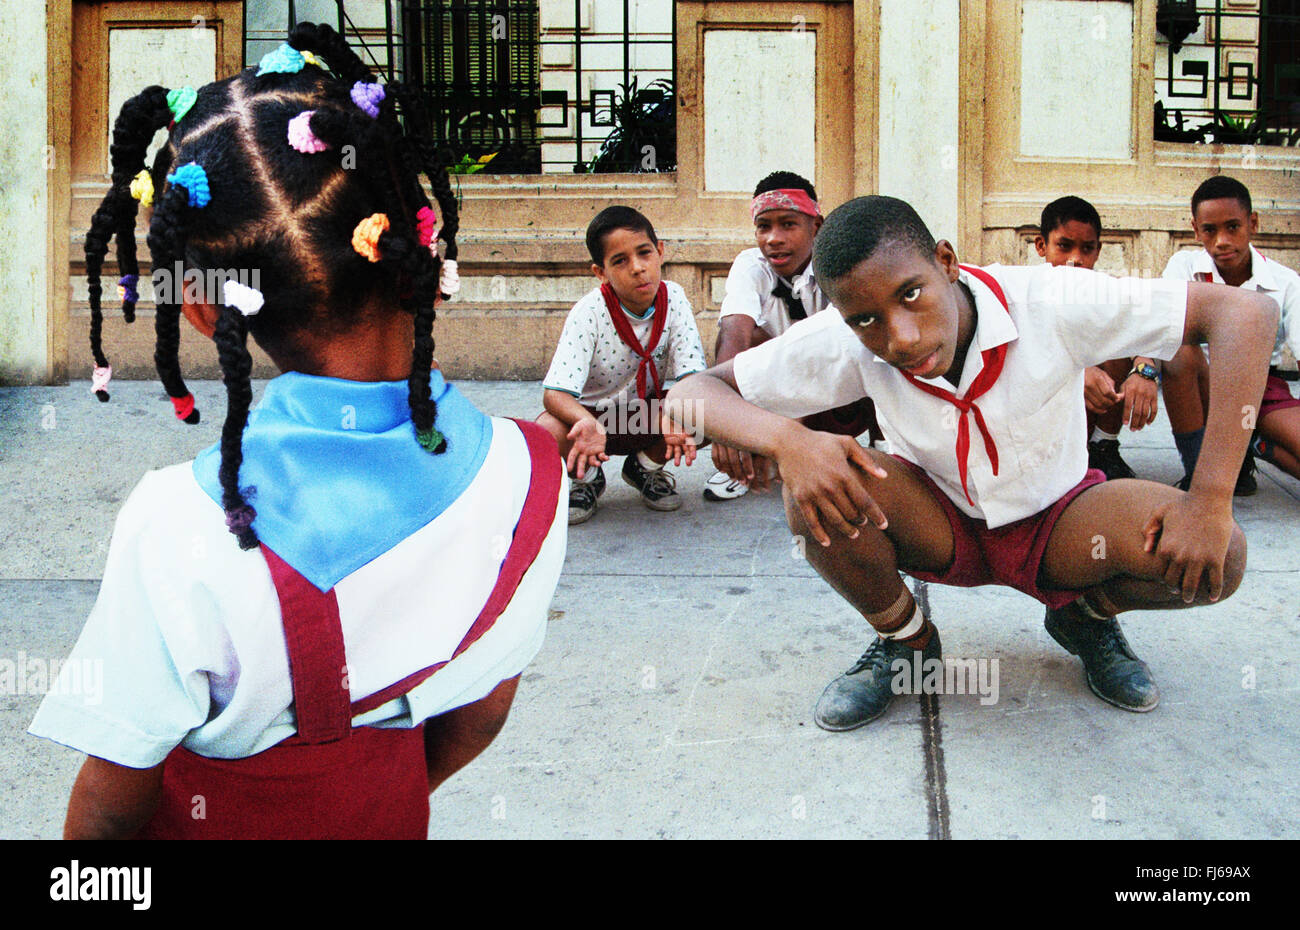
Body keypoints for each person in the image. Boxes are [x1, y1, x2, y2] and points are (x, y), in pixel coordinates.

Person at [28, 23, 566, 839]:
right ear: (418, 234)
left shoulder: (181, 525)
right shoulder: (532, 474)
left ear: (203, 310)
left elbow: (111, 802)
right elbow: (477, 717)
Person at [666, 195, 1276, 731]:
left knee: (1220, 557)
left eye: (912, 294)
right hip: (938, 522)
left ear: (947, 262)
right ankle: (906, 643)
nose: (899, 337)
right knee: (814, 487)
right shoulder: (847, 338)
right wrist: (788, 442)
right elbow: (690, 394)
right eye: (867, 319)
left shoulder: (1052, 298)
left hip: (1060, 522)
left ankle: (1085, 620)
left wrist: (1210, 497)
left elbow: (1244, 316)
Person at [706, 172, 883, 501]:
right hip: (778, 396)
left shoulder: (838, 262)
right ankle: (748, 456)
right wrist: (725, 420)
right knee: (739, 341)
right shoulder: (751, 266)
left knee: (871, 338)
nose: (773, 238)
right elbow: (734, 333)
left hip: (835, 395)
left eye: (788, 224)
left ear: (816, 227)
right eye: (764, 226)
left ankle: (885, 447)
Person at [539, 205, 707, 524]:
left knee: (705, 410)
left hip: (646, 415)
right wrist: (583, 421)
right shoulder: (588, 312)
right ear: (600, 272)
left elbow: (694, 377)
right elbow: (554, 394)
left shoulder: (675, 298)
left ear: (660, 251)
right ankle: (587, 478)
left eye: (644, 253)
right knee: (548, 428)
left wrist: (677, 414)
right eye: (620, 261)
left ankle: (644, 468)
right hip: (596, 419)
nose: (637, 268)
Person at [1162, 175, 1300, 486]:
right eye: (1210, 230)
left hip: (1262, 388)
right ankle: (1201, 474)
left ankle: (1255, 445)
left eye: (1233, 227)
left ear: (1253, 223)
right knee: (1179, 350)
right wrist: (1142, 371)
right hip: (1205, 386)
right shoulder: (1183, 267)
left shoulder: (1286, 281)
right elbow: (1160, 326)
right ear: (1196, 229)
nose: (1222, 240)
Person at [1035, 196, 1162, 480]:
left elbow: (1140, 329)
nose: (1076, 259)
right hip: (1043, 419)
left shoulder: (1105, 289)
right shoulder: (1028, 292)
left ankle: (1103, 446)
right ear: (1041, 245)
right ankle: (1057, 457)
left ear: (1098, 250)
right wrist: (1078, 372)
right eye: (1064, 246)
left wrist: (1144, 370)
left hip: (1091, 410)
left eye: (1087, 248)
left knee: (1118, 345)